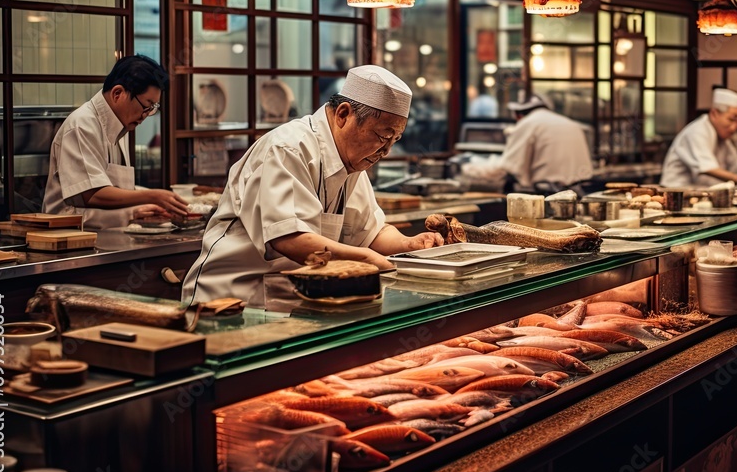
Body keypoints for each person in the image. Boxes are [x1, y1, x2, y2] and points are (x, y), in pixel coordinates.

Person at [181, 65, 444, 306]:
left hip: (293, 300)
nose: (386, 151)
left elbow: (371, 232)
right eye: (382, 136)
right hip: (233, 299)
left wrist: (410, 244)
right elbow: (290, 239)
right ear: (344, 115)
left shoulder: (352, 161)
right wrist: (366, 260)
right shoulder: (287, 148)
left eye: (395, 139)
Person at [42, 55, 189, 229]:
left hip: (105, 238)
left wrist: (159, 198)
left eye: (152, 108)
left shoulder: (121, 125)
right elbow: (92, 194)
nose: (146, 115)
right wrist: (152, 196)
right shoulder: (82, 125)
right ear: (117, 93)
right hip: (66, 237)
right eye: (146, 105)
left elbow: (114, 187)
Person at [659, 88, 737, 187]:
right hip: (676, 196)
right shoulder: (698, 131)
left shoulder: (722, 137)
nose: (734, 127)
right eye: (731, 119)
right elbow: (708, 168)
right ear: (714, 113)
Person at [498, 93, 594, 195]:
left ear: (518, 114)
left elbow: (510, 167)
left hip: (546, 195)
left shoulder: (528, 123)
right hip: (580, 192)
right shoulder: (572, 124)